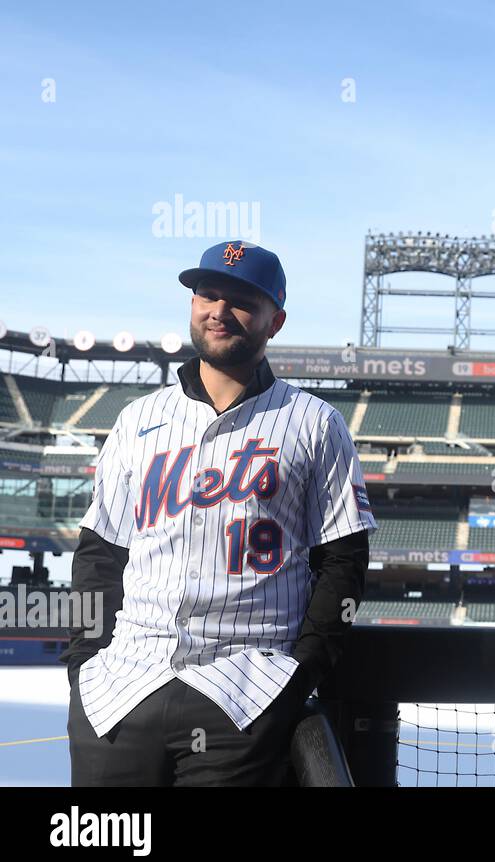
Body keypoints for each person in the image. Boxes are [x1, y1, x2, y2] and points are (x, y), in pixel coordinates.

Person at [62, 240, 377, 785]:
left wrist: (297, 675)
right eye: (207, 294)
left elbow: (343, 560)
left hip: (244, 690)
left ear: (274, 321)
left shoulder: (314, 423)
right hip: (120, 690)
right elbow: (100, 554)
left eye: (241, 301)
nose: (218, 311)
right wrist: (84, 662)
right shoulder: (139, 419)